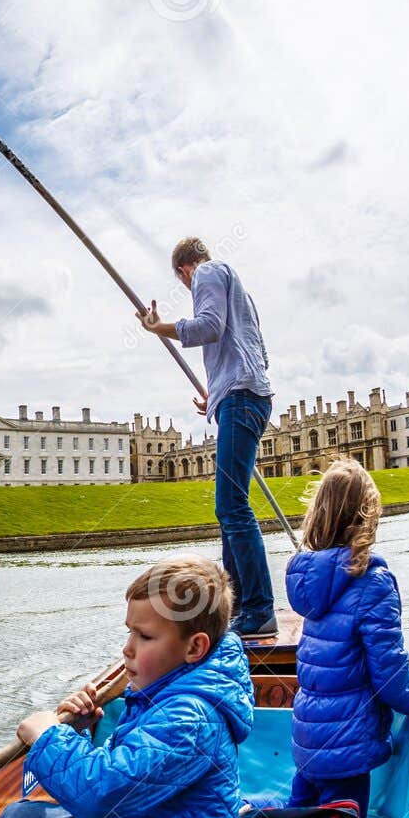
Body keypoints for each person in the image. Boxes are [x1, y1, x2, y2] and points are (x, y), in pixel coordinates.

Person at [0, 556, 254, 818]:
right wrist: (81, 729)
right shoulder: (169, 684)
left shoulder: (192, 719)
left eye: (144, 638)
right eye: (130, 633)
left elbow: (105, 793)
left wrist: (47, 739)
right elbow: (126, 766)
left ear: (195, 647)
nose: (127, 650)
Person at [141, 238, 277, 638]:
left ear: (183, 271)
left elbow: (209, 327)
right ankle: (237, 608)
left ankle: (258, 608)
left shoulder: (207, 273)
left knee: (232, 506)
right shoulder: (242, 293)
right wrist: (216, 393)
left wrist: (158, 328)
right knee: (229, 510)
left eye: (184, 284)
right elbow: (257, 355)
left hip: (241, 398)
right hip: (243, 396)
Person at [286, 457, 409, 818]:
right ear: (369, 517)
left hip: (309, 743)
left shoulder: (310, 582)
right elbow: (390, 675)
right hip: (346, 749)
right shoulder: (372, 583)